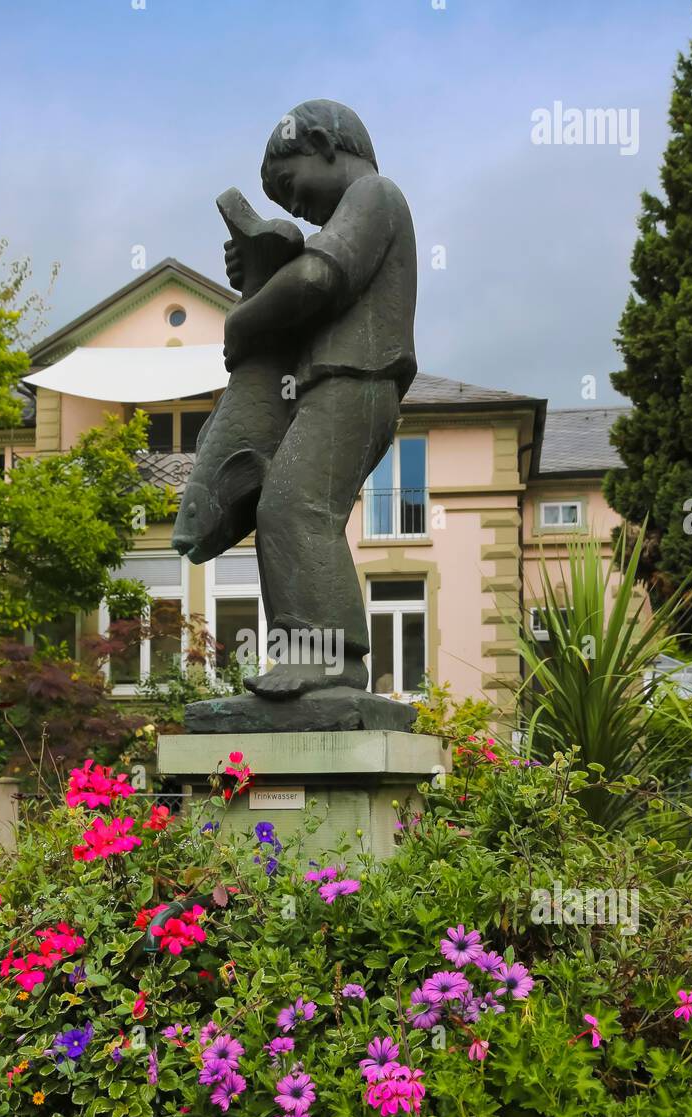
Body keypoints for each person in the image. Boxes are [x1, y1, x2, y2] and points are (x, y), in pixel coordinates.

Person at [221, 99, 417, 698]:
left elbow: (315, 280)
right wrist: (256, 271)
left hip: (357, 378)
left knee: (293, 508)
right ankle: (325, 661)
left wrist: (244, 318)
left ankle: (323, 656)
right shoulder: (357, 210)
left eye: (290, 184)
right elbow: (306, 291)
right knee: (284, 508)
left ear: (323, 145)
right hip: (335, 383)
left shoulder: (375, 195)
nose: (292, 206)